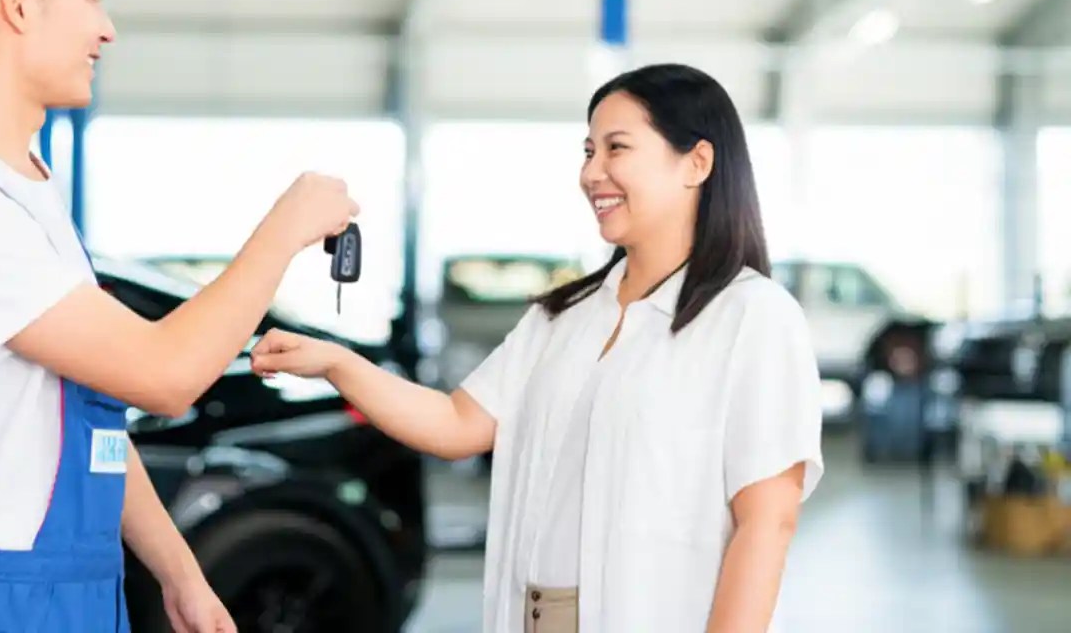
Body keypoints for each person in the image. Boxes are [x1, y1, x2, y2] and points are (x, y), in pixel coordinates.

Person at [0, 0, 357, 631]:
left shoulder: (21, 190)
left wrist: (180, 573)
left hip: (74, 593)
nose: (107, 30)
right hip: (0, 608)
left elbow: (86, 422)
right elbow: (163, 374)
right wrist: (286, 227)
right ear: (18, 3)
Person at [251, 63, 826, 632]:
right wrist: (337, 363)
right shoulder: (562, 316)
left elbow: (766, 523)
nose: (592, 173)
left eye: (617, 148)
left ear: (697, 162)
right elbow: (457, 423)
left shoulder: (753, 316)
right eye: (588, 152)